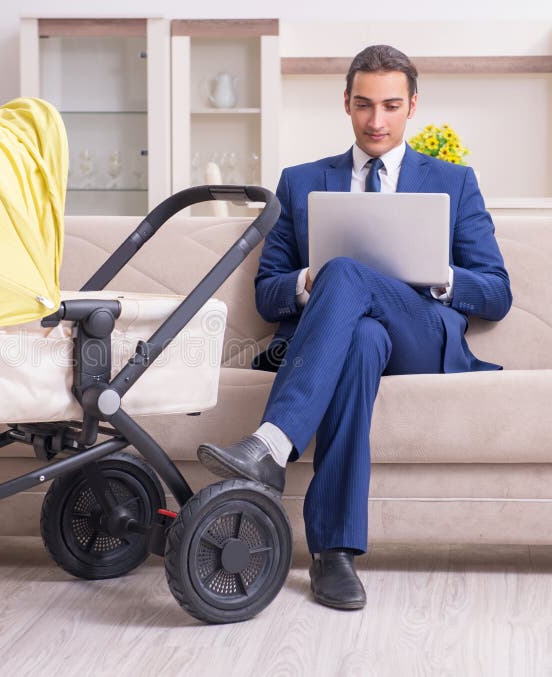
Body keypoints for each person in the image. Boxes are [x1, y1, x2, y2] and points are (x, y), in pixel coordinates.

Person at [197, 44, 512, 611]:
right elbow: (269, 295)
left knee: (348, 272)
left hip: (421, 333)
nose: (376, 121)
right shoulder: (300, 182)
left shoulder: (453, 181)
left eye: (391, 106)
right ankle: (333, 556)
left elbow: (496, 293)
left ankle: (271, 444)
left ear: (411, 105)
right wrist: (307, 283)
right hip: (349, 342)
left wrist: (436, 273)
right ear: (345, 103)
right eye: (364, 105)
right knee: (360, 335)